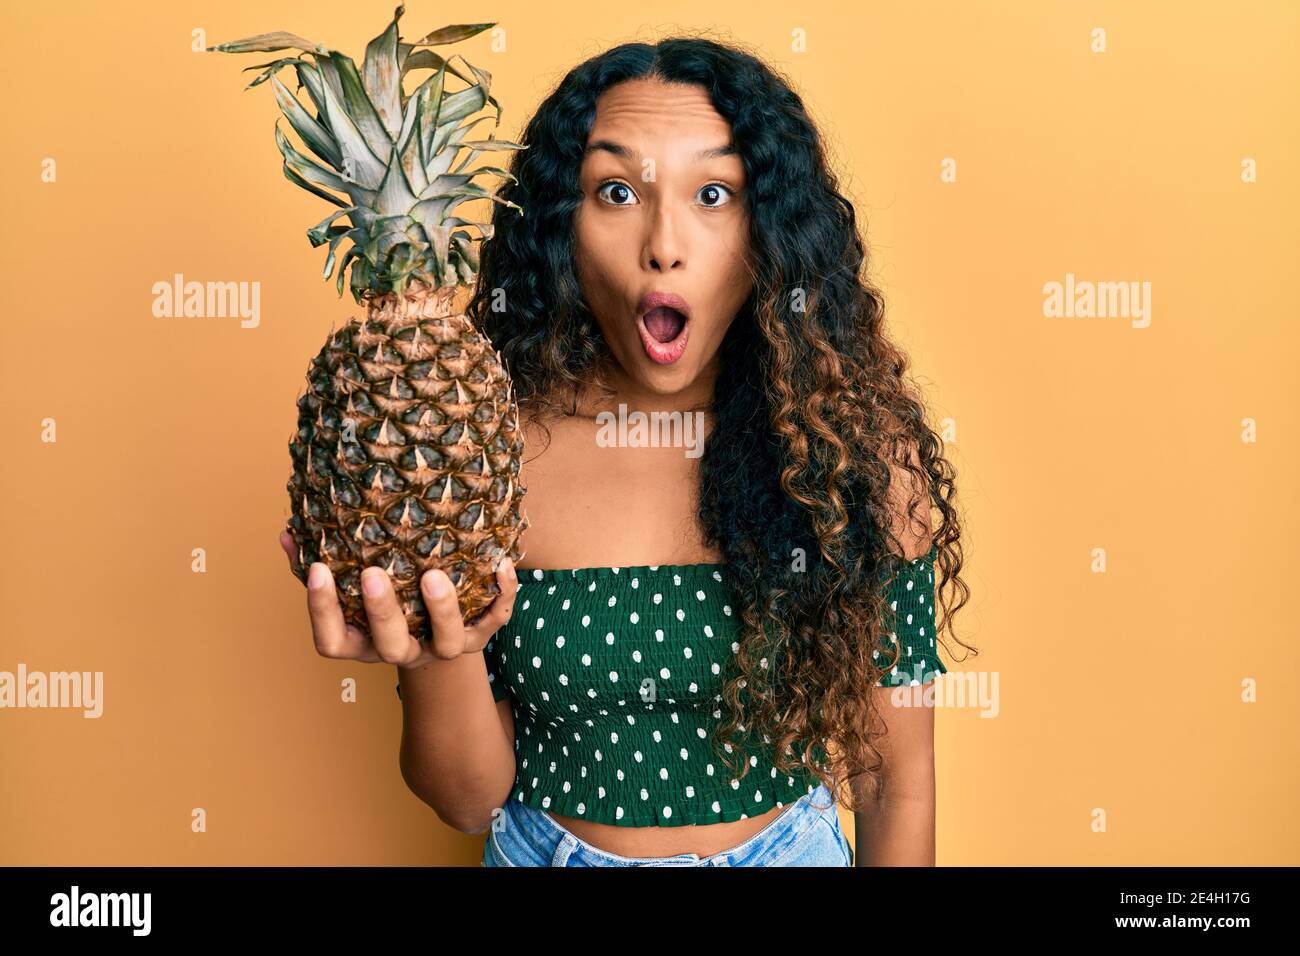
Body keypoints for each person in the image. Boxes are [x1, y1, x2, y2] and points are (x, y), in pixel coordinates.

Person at [278, 35, 972, 867]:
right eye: (616, 191)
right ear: (560, 228)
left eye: (713, 193)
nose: (664, 244)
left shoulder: (851, 459)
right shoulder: (481, 453)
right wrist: (436, 653)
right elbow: (468, 801)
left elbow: (898, 781)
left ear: (771, 235)